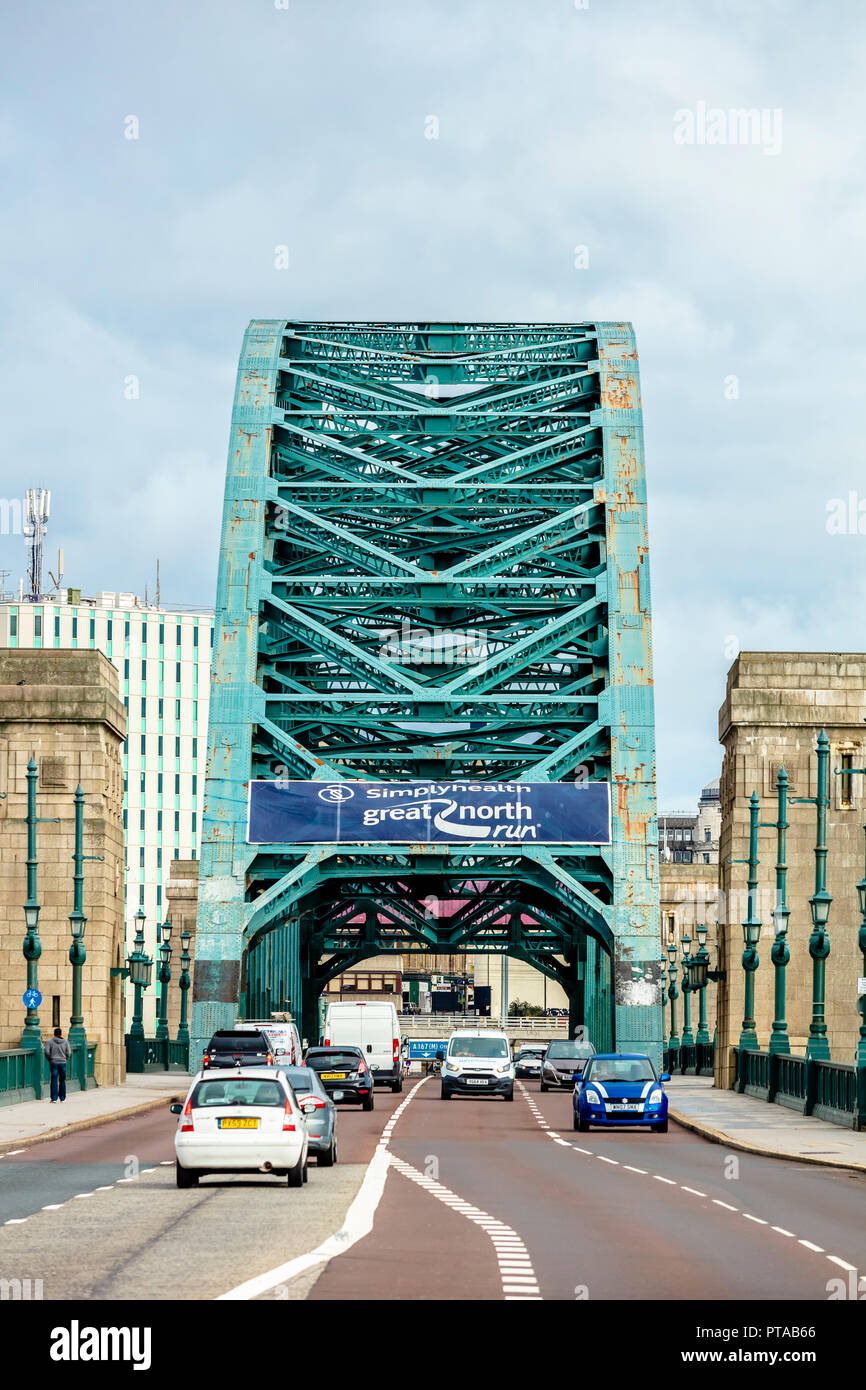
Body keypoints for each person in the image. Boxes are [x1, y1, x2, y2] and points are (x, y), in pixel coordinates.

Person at [44, 1027, 72, 1103]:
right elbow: (69, 1052)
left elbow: (46, 1051)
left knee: (54, 1079)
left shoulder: (50, 1041)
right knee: (62, 1080)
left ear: (54, 1034)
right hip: (63, 1063)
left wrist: (50, 1058)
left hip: (54, 1063)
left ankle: (54, 1098)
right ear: (61, 1034)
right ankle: (62, 1098)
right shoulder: (65, 1042)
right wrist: (65, 1058)